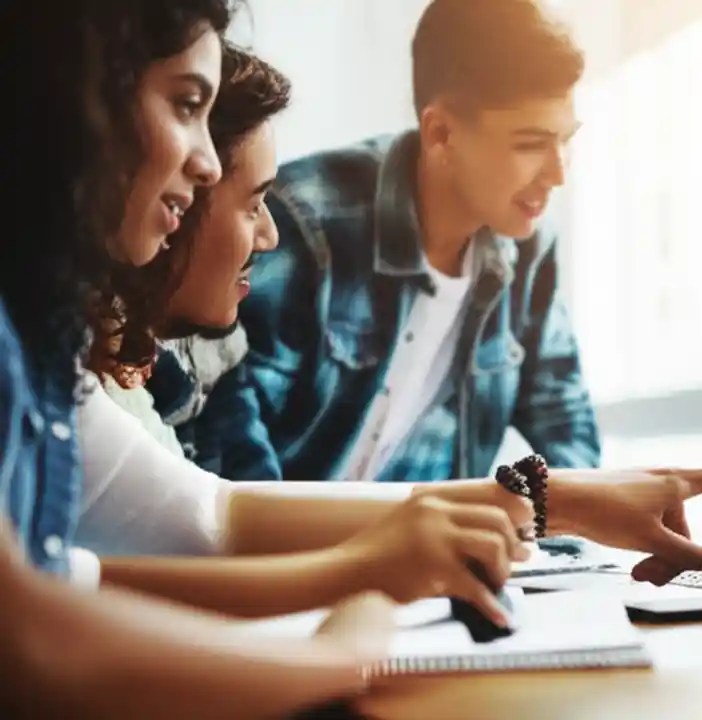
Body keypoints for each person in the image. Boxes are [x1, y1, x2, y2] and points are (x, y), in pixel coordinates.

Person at [0, 2, 391, 715]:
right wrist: (340, 654)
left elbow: (84, 579)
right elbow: (29, 638)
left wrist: (534, 507)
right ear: (81, 91)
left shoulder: (37, 336)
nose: (207, 163)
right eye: (185, 105)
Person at [202, 0, 601, 482]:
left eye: (567, 141)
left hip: (423, 550)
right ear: (440, 132)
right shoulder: (303, 220)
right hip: (287, 545)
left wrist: (556, 529)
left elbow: (568, 432)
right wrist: (292, 550)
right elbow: (227, 418)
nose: (558, 174)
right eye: (531, 144)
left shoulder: (531, 252)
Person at [89, 41, 287, 465]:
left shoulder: (216, 349)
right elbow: (211, 516)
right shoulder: (69, 363)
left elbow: (246, 490)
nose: (272, 237)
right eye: (254, 206)